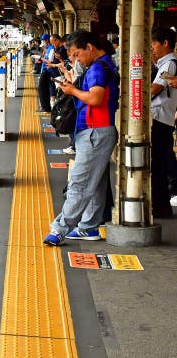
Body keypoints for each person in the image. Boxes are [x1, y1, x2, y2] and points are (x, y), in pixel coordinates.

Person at [44, 30, 119, 245]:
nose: (76, 59)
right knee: (95, 183)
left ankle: (59, 229)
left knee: (79, 182)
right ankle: (88, 227)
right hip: (98, 130)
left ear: (90, 47)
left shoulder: (97, 68)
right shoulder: (105, 64)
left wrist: (72, 92)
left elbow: (95, 98)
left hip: (95, 131)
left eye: (77, 54)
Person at [149, 27, 177, 218]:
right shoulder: (163, 64)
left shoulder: (169, 64)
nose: (152, 48)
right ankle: (163, 202)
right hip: (163, 117)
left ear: (165, 43)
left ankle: (169, 196)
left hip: (161, 117)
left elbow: (154, 89)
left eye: (154, 45)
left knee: (161, 161)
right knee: (163, 159)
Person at [37, 34, 54, 112]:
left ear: (47, 41)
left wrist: (41, 58)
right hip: (45, 70)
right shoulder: (47, 49)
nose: (43, 43)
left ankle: (45, 107)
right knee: (44, 89)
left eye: (43, 41)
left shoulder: (51, 49)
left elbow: (50, 61)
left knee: (42, 89)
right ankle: (45, 107)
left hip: (48, 71)